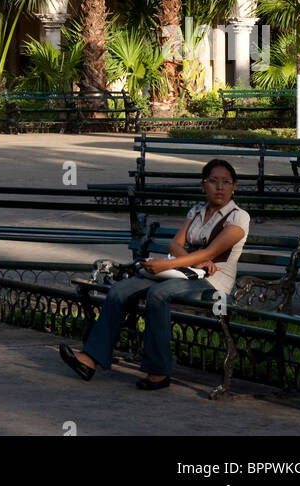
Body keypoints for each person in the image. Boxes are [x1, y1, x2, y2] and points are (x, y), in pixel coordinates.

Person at [59, 158, 250, 390]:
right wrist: (191, 261)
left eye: (226, 182)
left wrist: (174, 264)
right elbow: (175, 244)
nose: (220, 187)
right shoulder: (197, 211)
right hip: (186, 272)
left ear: (234, 187)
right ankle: (90, 359)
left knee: (158, 294)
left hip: (213, 283)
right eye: (213, 181)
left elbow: (211, 251)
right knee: (120, 290)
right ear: (203, 185)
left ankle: (158, 371)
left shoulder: (238, 217)